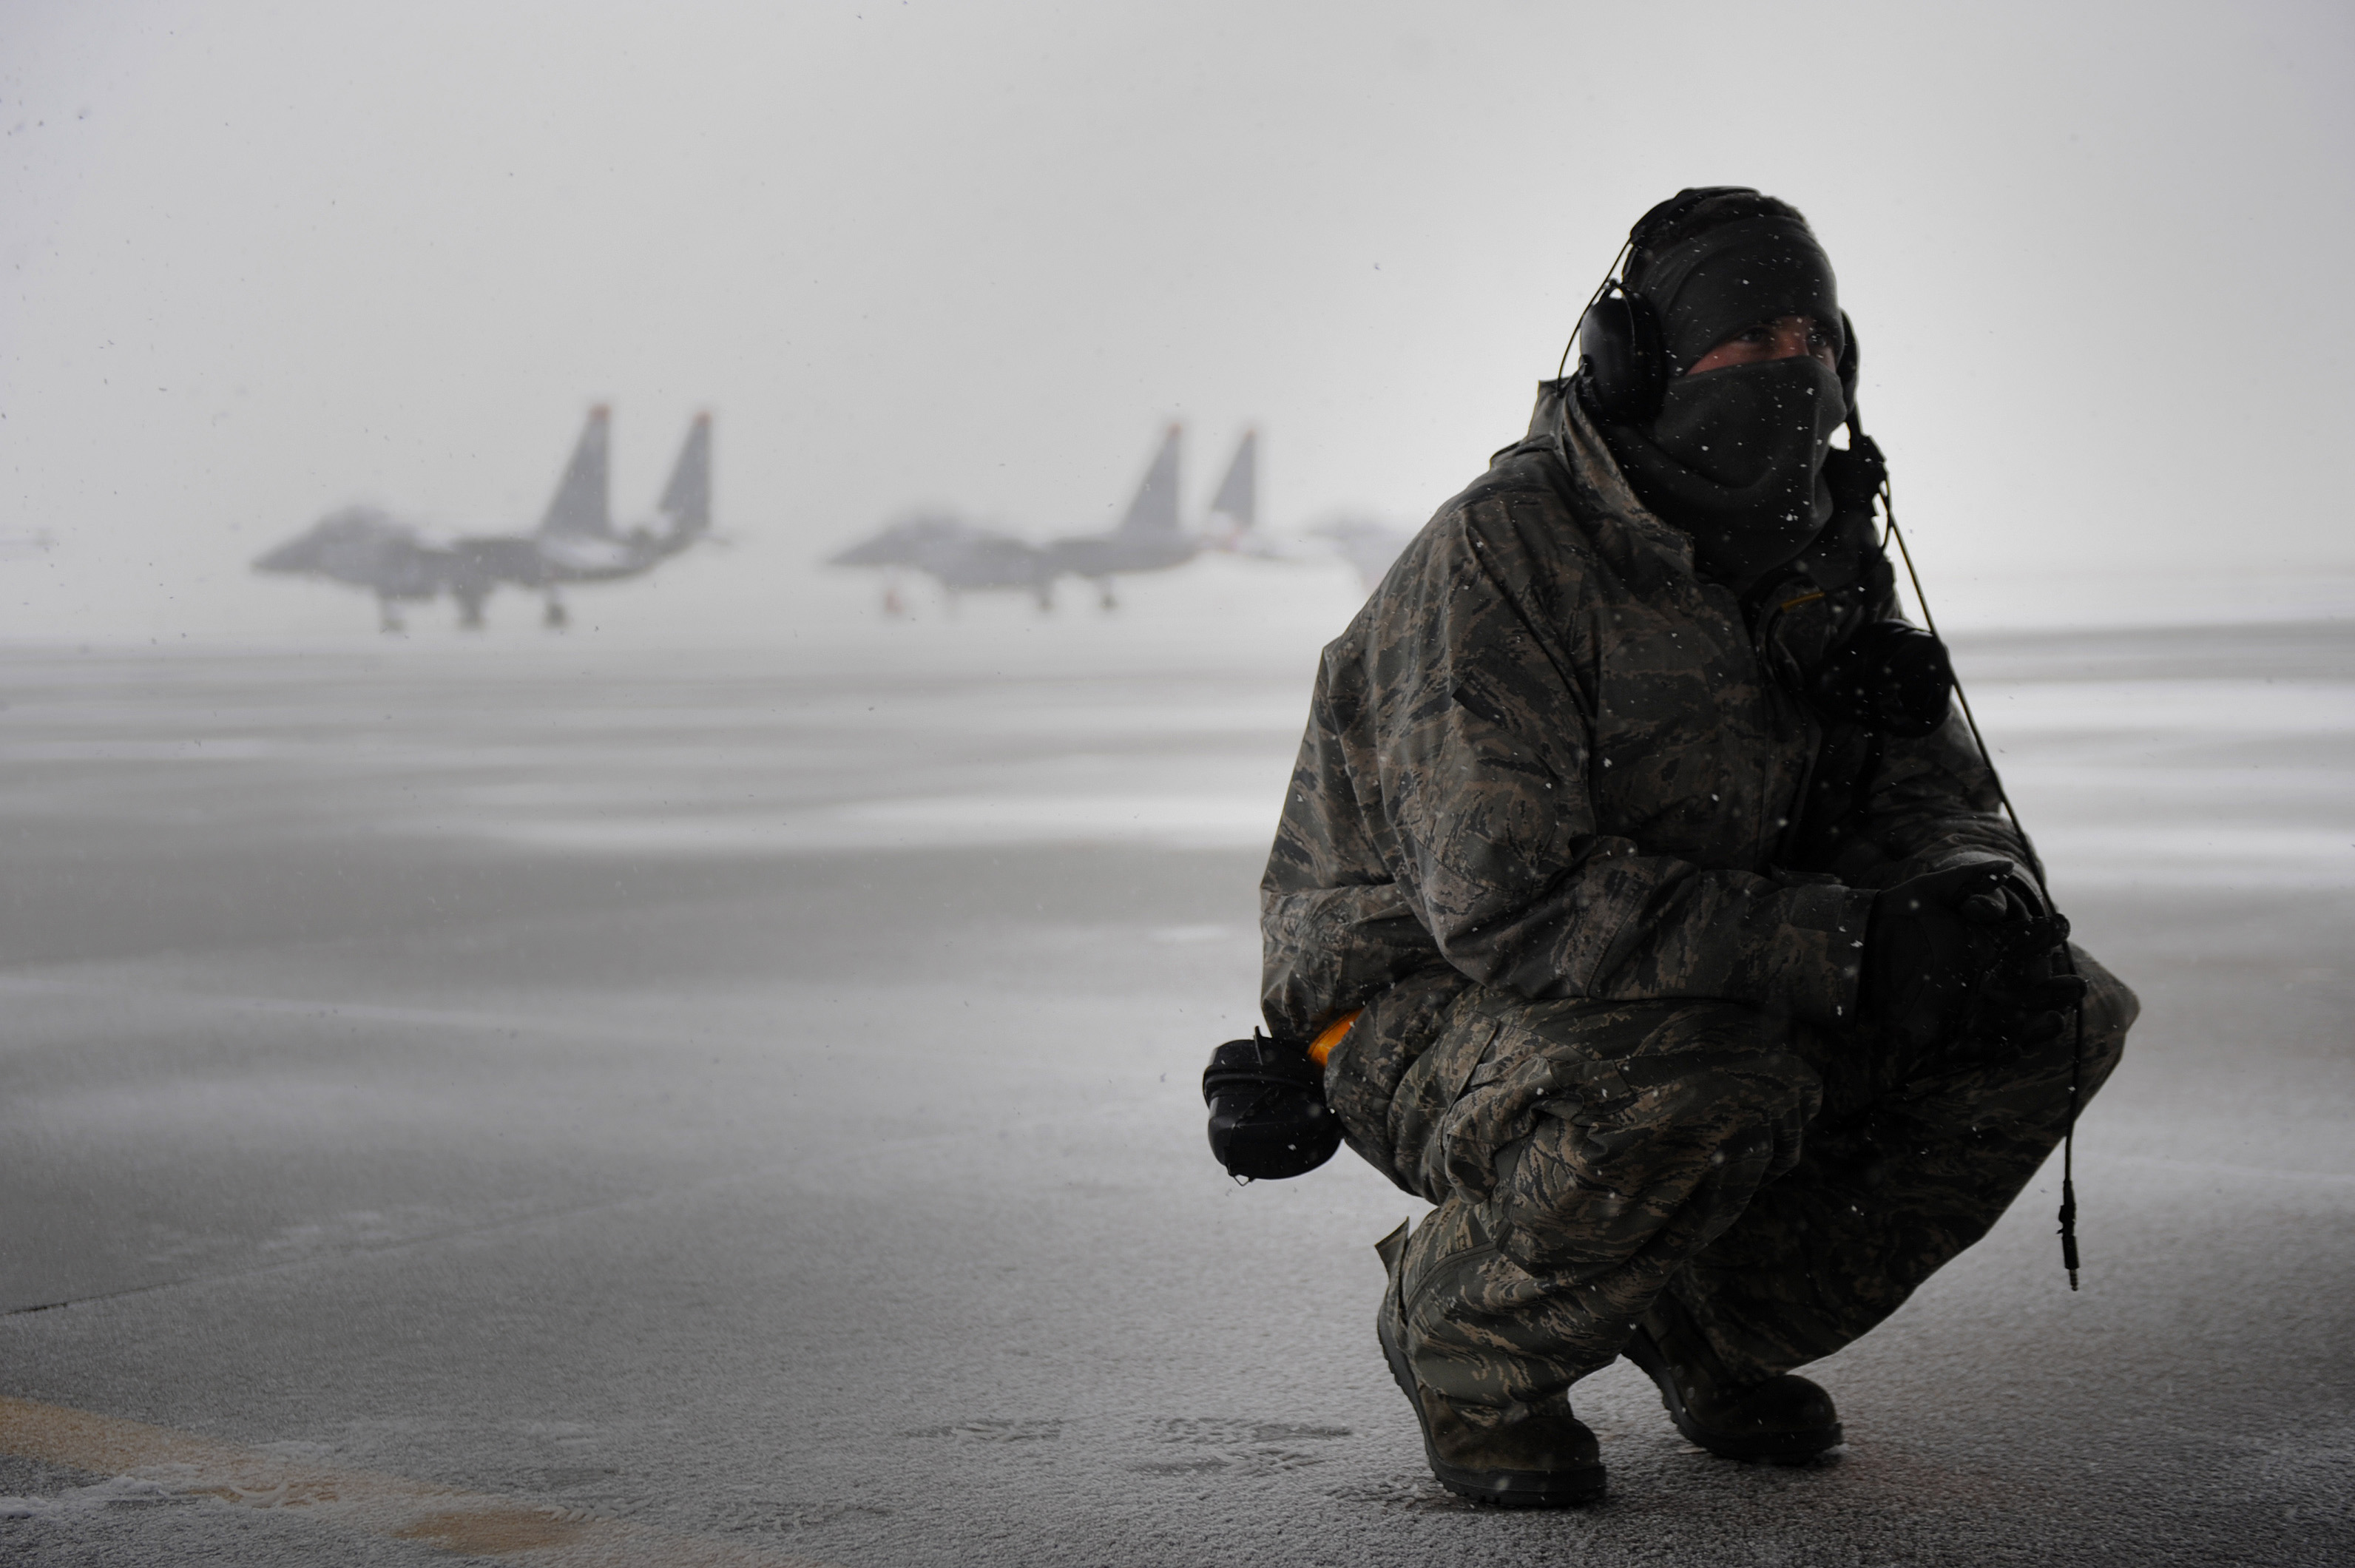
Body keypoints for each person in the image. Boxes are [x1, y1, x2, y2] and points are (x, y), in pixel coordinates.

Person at [1254, 187, 2137, 1506]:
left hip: (1699, 958)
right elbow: (1510, 903)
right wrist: (1846, 945)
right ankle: (1469, 1335)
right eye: (1742, 335)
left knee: (2047, 1013)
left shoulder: (1818, 548)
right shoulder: (1504, 556)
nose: (1788, 367)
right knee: (1709, 1081)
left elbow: (1926, 787)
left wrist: (1962, 888)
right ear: (1643, 363)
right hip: (1415, 999)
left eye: (1810, 335)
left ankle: (1706, 1320)